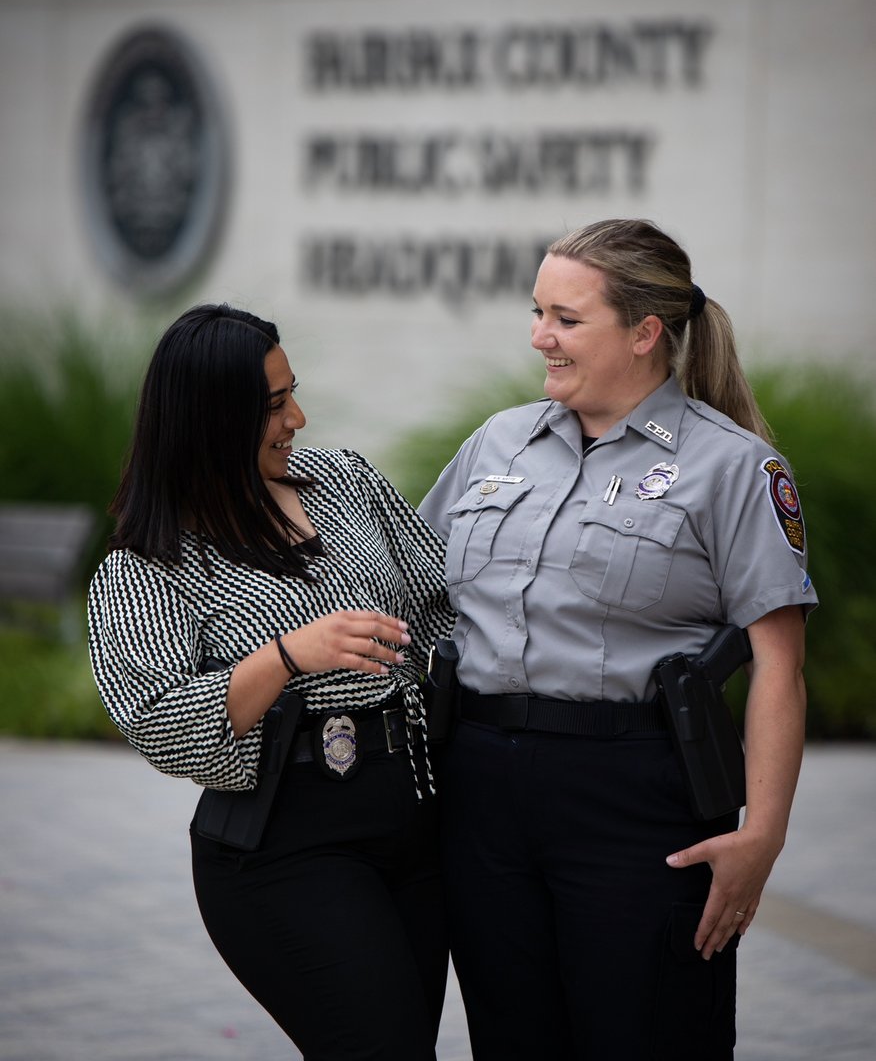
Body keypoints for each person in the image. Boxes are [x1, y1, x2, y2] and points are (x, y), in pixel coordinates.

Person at [418, 218, 818, 1061]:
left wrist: (763, 836)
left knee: (646, 1037)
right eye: (538, 313)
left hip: (632, 798)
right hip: (481, 791)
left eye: (566, 319)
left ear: (644, 334)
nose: (540, 338)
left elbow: (780, 667)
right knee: (512, 1038)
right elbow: (415, 593)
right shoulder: (498, 442)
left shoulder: (735, 468)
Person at [88, 303, 456, 1061]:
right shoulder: (150, 562)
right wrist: (288, 654)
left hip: (418, 825)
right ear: (210, 420)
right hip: (286, 849)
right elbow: (161, 723)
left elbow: (444, 605)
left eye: (293, 392)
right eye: (274, 405)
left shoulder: (347, 482)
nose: (299, 417)